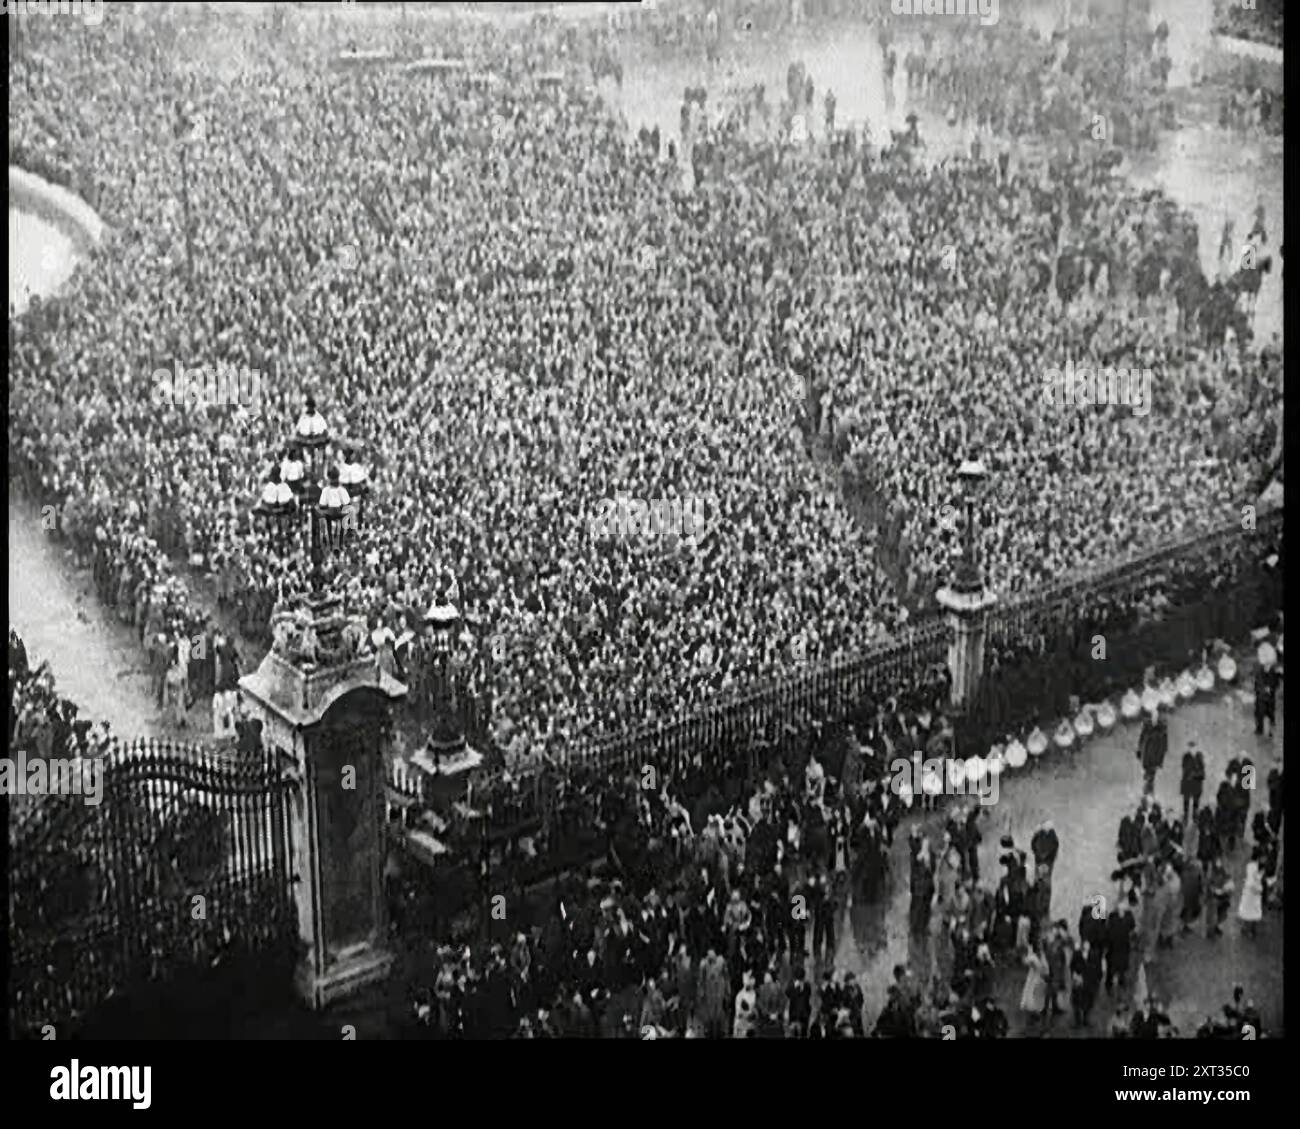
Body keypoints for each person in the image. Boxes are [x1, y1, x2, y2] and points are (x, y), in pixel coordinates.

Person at [1238, 851, 1265, 938]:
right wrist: (1258, 887)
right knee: (1249, 912)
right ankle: (1248, 930)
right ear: (1259, 857)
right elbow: (1252, 880)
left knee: (1250, 912)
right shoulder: (1253, 866)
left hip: (1252, 893)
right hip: (1251, 892)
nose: (1265, 859)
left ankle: (1248, 929)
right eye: (1263, 857)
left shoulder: (1253, 865)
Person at [1180, 745, 1206, 827]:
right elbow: (1185, 769)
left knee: (1195, 804)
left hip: (1196, 785)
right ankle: (1186, 819)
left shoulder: (1199, 758)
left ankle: (1195, 820)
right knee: (1186, 804)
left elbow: (1202, 773)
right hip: (1188, 784)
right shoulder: (1186, 757)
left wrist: (1194, 774)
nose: (1192, 749)